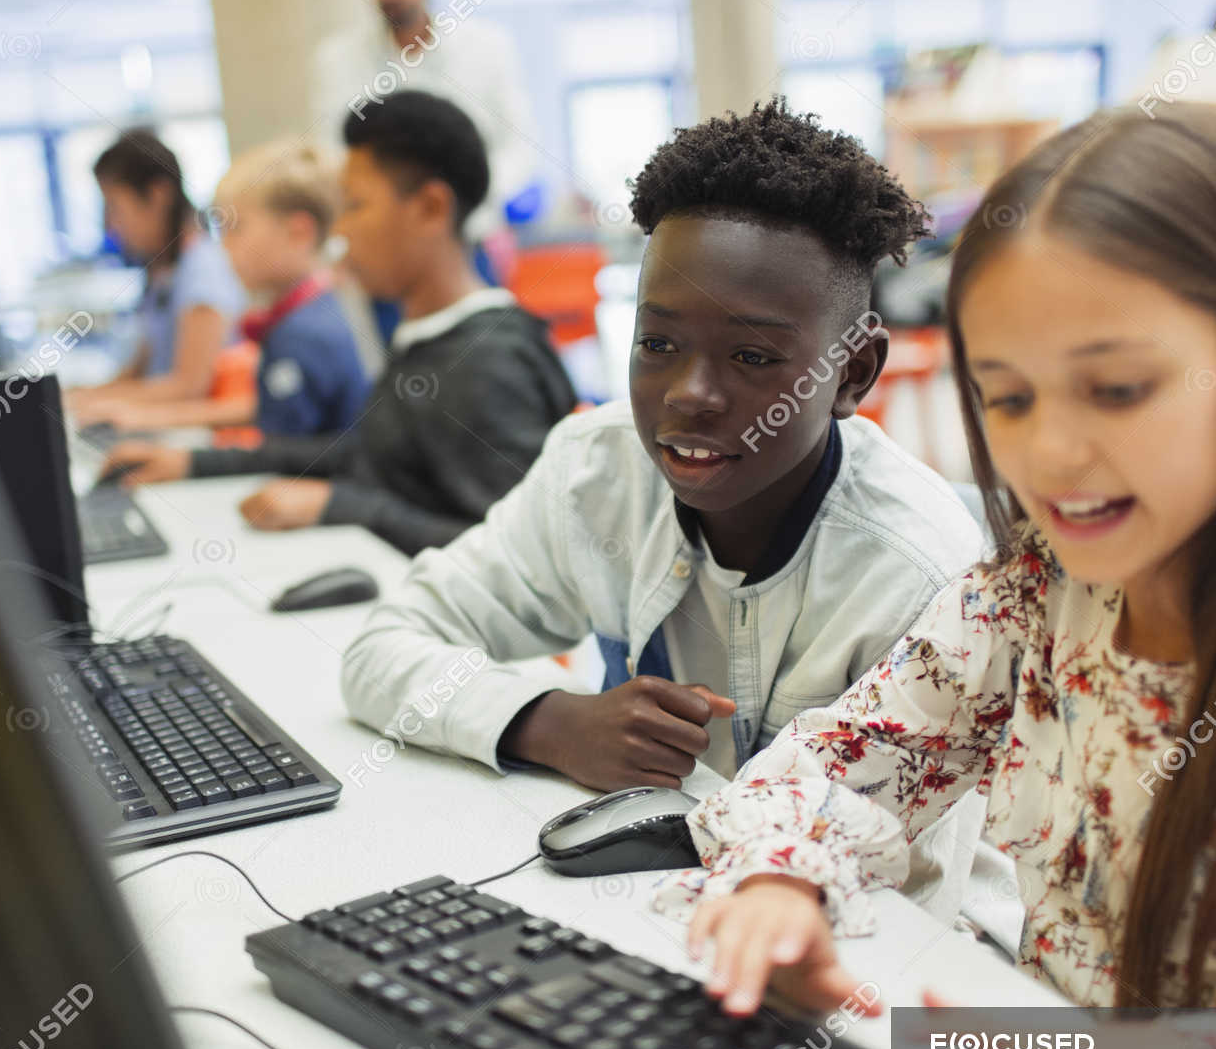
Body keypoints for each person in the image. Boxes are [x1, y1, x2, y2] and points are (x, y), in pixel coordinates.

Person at [672, 104, 1216, 1049]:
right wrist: (779, 882)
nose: (1053, 453)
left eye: (1117, 388)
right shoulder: (1036, 596)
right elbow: (825, 770)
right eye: (1007, 399)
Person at [340, 101, 986, 797]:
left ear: (851, 373)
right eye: (658, 344)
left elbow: (885, 865)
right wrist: (548, 722)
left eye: (750, 354)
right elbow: (382, 650)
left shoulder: (917, 577)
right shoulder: (596, 470)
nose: (689, 395)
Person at [100, 91, 575, 557]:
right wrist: (193, 462)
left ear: (430, 208)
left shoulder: (488, 361)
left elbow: (522, 554)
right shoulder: (424, 337)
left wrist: (345, 506)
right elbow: (359, 453)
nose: (340, 231)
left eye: (355, 205)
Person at [78, 140, 368, 436]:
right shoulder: (295, 318)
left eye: (236, 227)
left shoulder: (307, 330)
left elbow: (290, 448)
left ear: (299, 232)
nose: (224, 246)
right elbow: (272, 415)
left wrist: (186, 461)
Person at [310, 0, 535, 249]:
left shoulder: (485, 49)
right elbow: (331, 152)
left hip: (469, 238)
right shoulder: (338, 59)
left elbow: (519, 146)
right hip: (385, 245)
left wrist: (471, 198)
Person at [66, 129, 245, 415]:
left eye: (115, 207)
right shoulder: (163, 273)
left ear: (157, 195)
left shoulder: (203, 272)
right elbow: (139, 372)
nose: (111, 226)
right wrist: (77, 396)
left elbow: (190, 386)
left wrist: (93, 404)